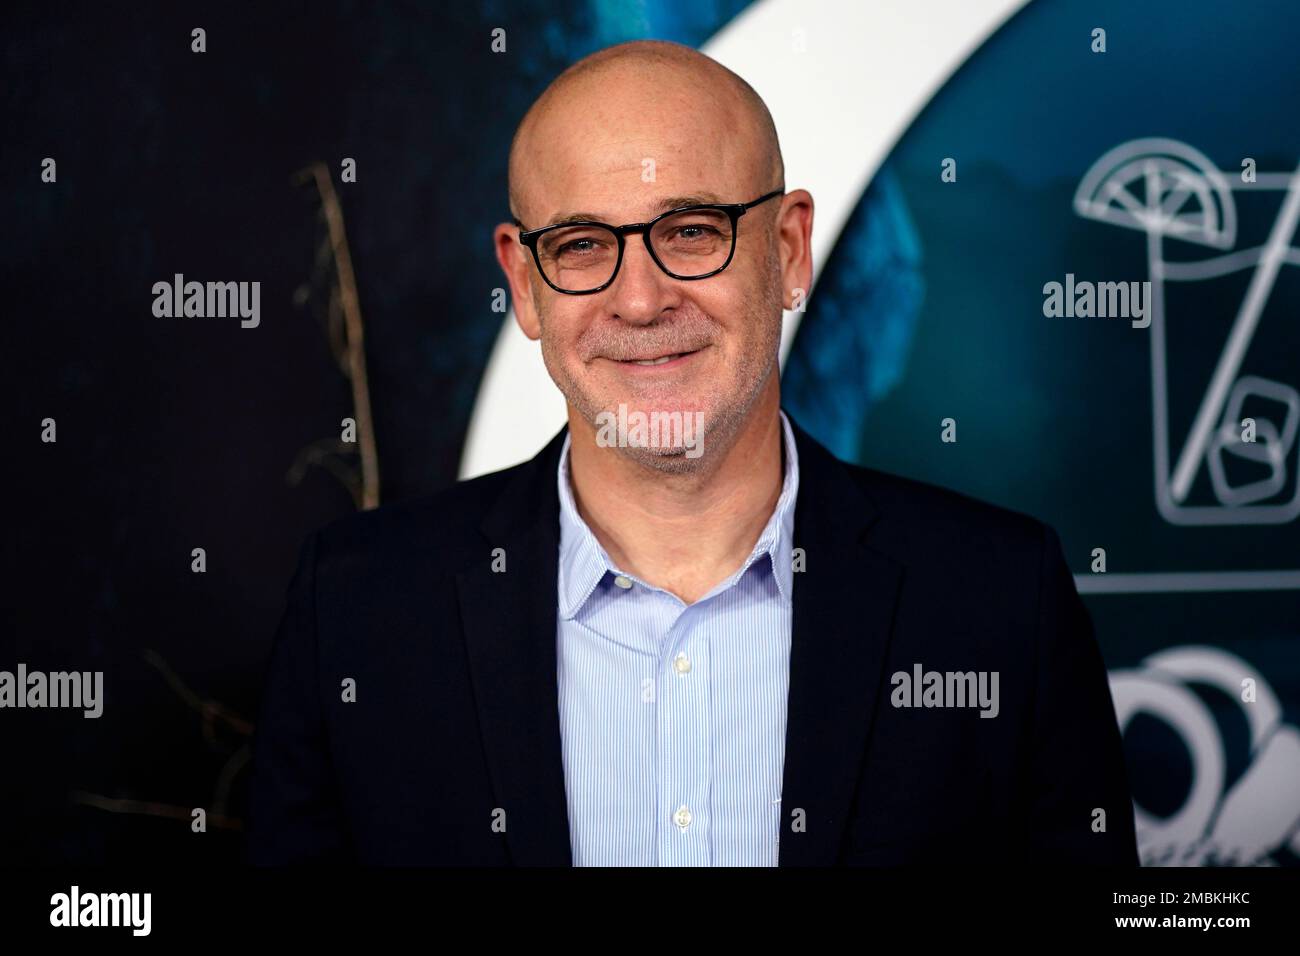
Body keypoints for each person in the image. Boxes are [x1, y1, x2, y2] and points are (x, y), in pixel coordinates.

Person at [247, 39, 1137, 866]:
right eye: (583, 245)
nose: (640, 300)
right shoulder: (357, 609)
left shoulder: (999, 599)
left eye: (691, 231)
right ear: (524, 283)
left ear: (789, 252)